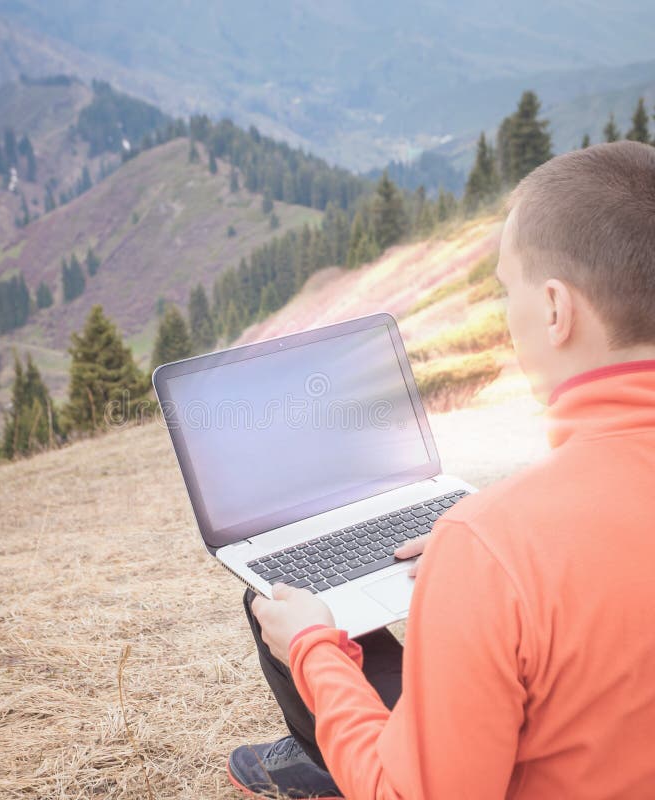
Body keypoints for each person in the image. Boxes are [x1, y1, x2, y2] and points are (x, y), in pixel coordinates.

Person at [226, 140, 655, 800]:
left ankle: (332, 760)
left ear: (554, 309)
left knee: (282, 605)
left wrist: (313, 647)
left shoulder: (491, 544)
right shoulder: (495, 544)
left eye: (507, 289)